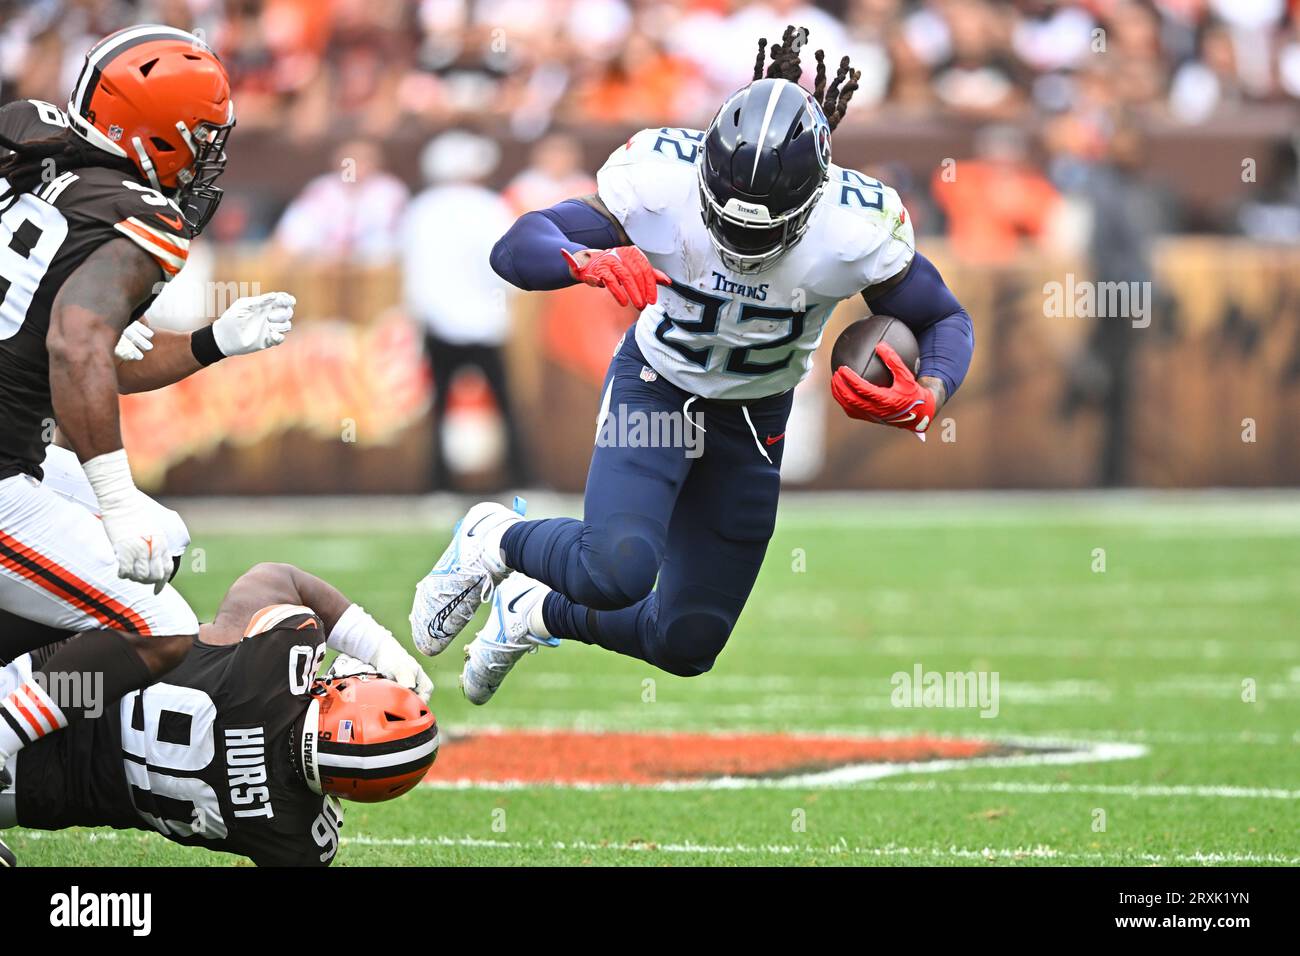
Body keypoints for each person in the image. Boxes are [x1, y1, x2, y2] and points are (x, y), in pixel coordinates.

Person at [409, 26, 975, 704]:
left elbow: (945, 318)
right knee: (616, 569)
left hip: (754, 416)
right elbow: (516, 247)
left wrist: (930, 390)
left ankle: (531, 613)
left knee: (687, 643)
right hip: (656, 386)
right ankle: (494, 537)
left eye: (760, 229)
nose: (737, 241)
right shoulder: (661, 178)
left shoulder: (855, 227)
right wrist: (581, 259)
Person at [0, 25, 294, 805]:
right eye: (201, 138)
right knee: (157, 625)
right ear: (156, 133)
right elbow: (76, 345)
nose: (207, 158)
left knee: (164, 545)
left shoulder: (49, 169)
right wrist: (115, 497)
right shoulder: (136, 214)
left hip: (12, 451)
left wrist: (211, 342)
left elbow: (89, 350)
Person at [0, 557, 435, 867]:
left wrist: (379, 646)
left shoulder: (273, 661)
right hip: (27, 795)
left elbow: (277, 577)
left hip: (27, 687)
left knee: (159, 565)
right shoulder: (295, 840)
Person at [401, 130, 529, 489]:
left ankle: (438, 484)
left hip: (439, 322)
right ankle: (520, 478)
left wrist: (420, 314)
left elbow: (413, 270)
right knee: (503, 403)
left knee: (440, 405)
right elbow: (507, 264)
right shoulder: (490, 207)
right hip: (484, 323)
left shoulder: (421, 210)